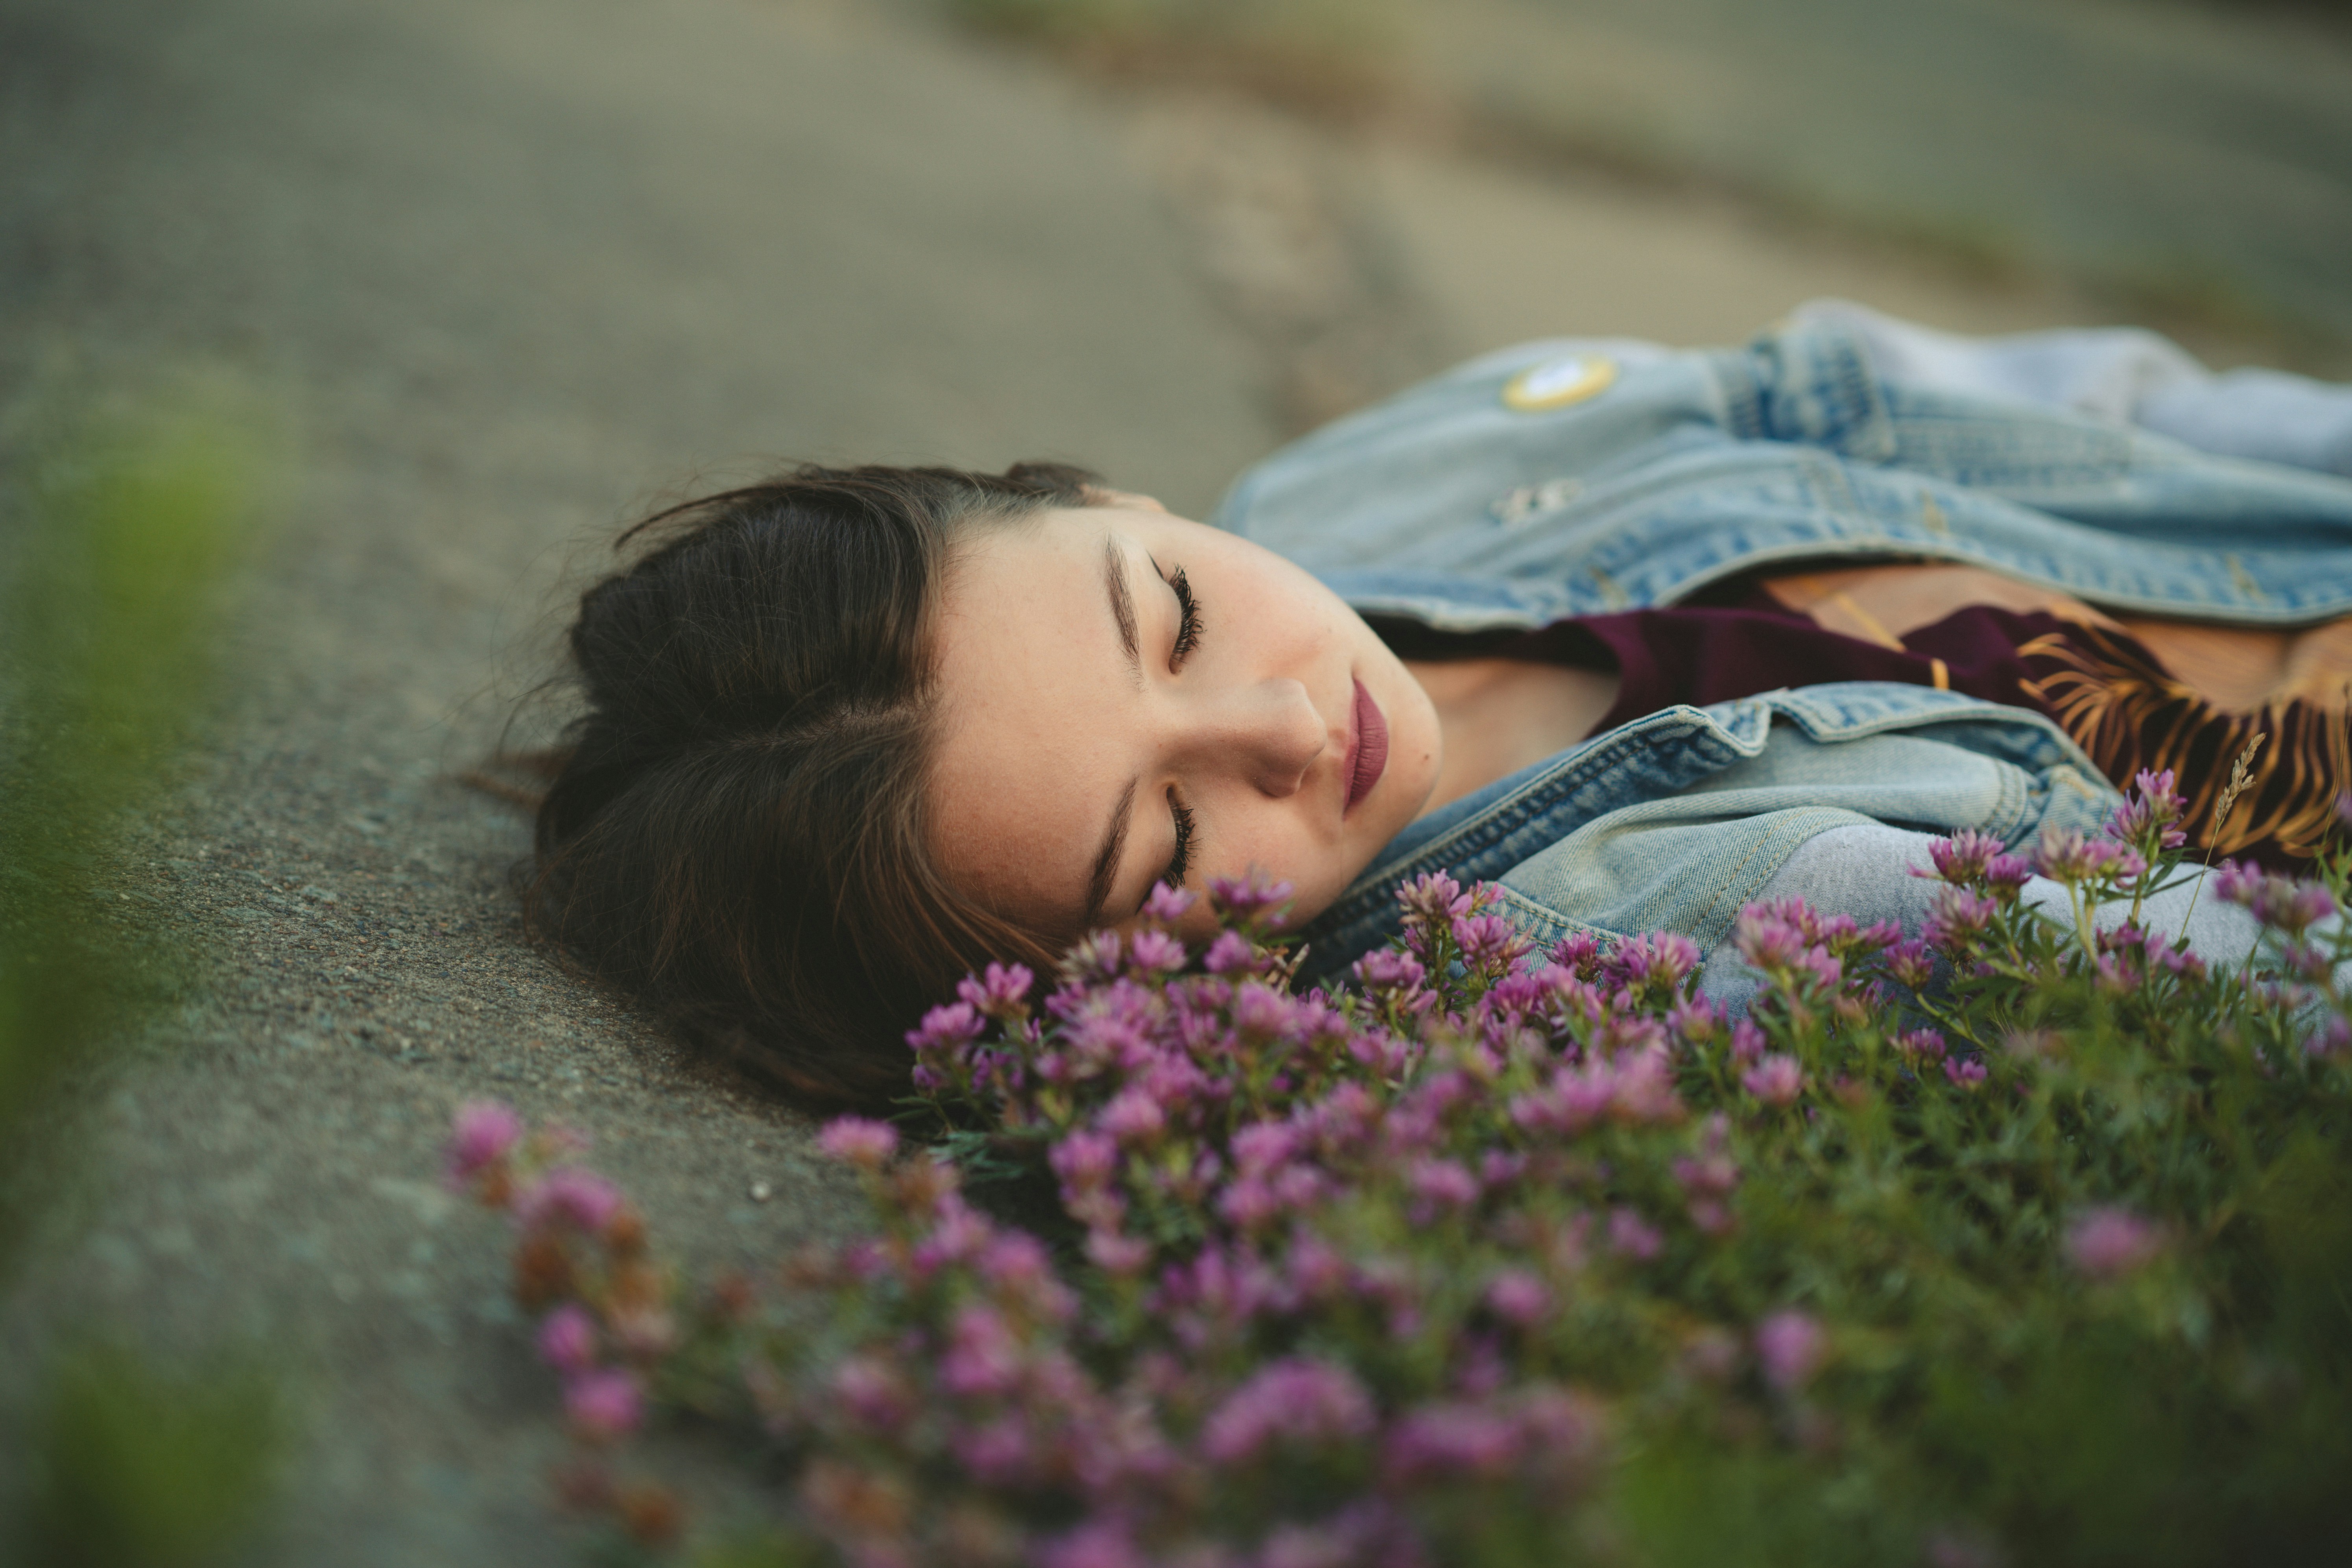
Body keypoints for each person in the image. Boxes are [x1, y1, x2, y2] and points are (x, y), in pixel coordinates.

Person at [523, 301, 2352, 1102]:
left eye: (1167, 616)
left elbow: (2079, 402)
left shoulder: (1401, 477)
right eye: (1167, 843)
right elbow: (2240, 989)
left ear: (1105, 499)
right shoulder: (1588, 974)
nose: (1279, 732)